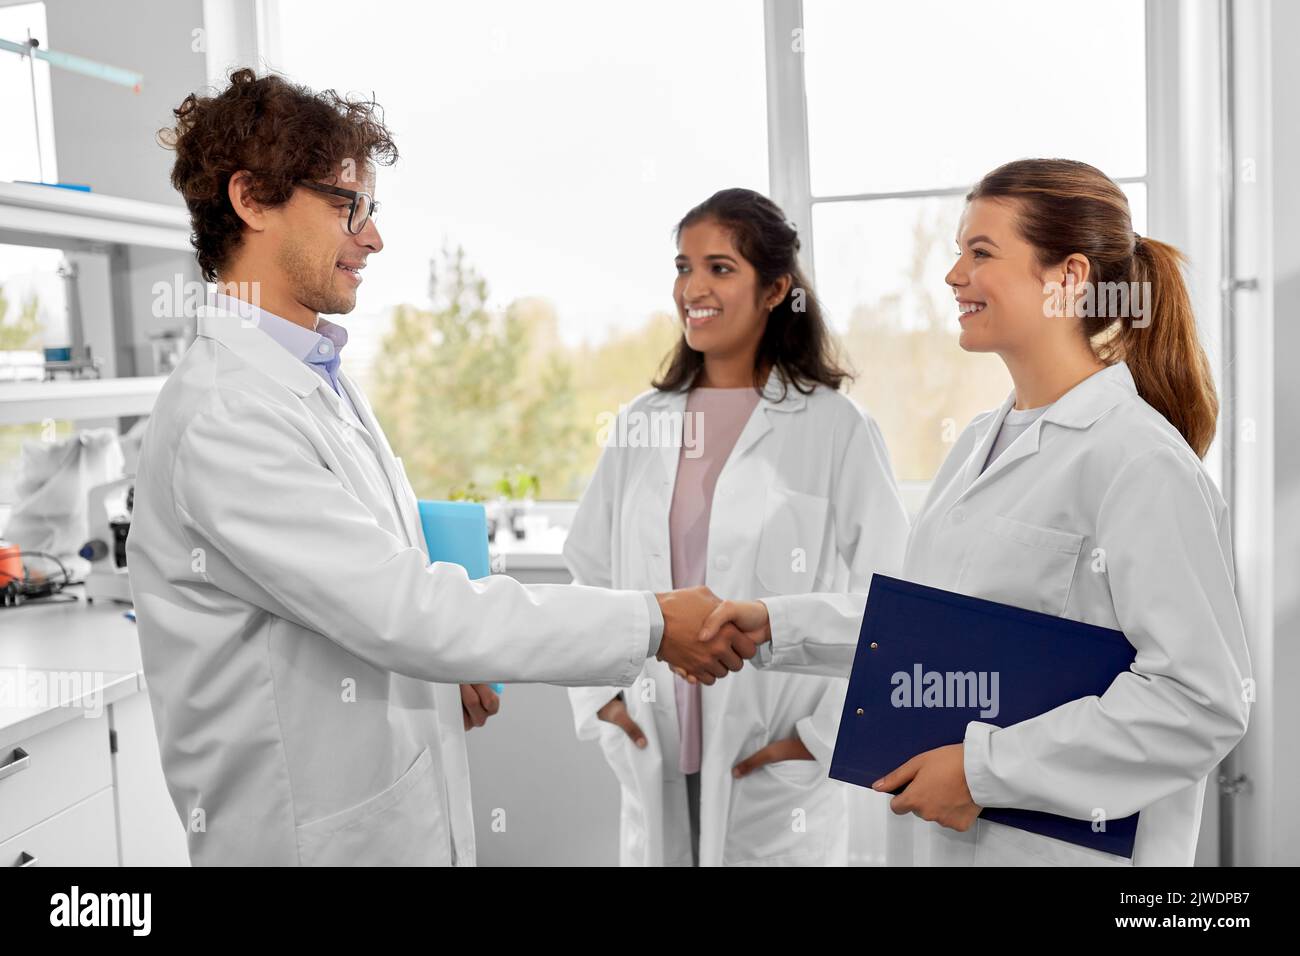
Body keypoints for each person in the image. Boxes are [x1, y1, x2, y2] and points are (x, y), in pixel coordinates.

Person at [126, 69, 753, 867]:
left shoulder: (311, 371)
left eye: (372, 210)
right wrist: (652, 622)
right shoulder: (225, 414)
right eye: (346, 205)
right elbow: (404, 609)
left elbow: (371, 583)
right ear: (251, 198)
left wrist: (438, 673)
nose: (373, 237)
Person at [697, 159, 1252, 866]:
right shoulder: (980, 444)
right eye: (959, 252)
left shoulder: (1140, 462)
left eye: (980, 253)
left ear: (1068, 278)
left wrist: (982, 769)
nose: (954, 275)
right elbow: (932, 629)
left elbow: (1201, 701)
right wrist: (779, 623)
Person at [565, 189, 910, 865]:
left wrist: (818, 738)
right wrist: (602, 700)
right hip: (653, 743)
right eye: (683, 266)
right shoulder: (642, 422)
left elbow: (894, 605)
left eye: (720, 268)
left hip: (772, 763)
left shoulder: (836, 429)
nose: (693, 287)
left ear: (776, 287)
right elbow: (589, 570)